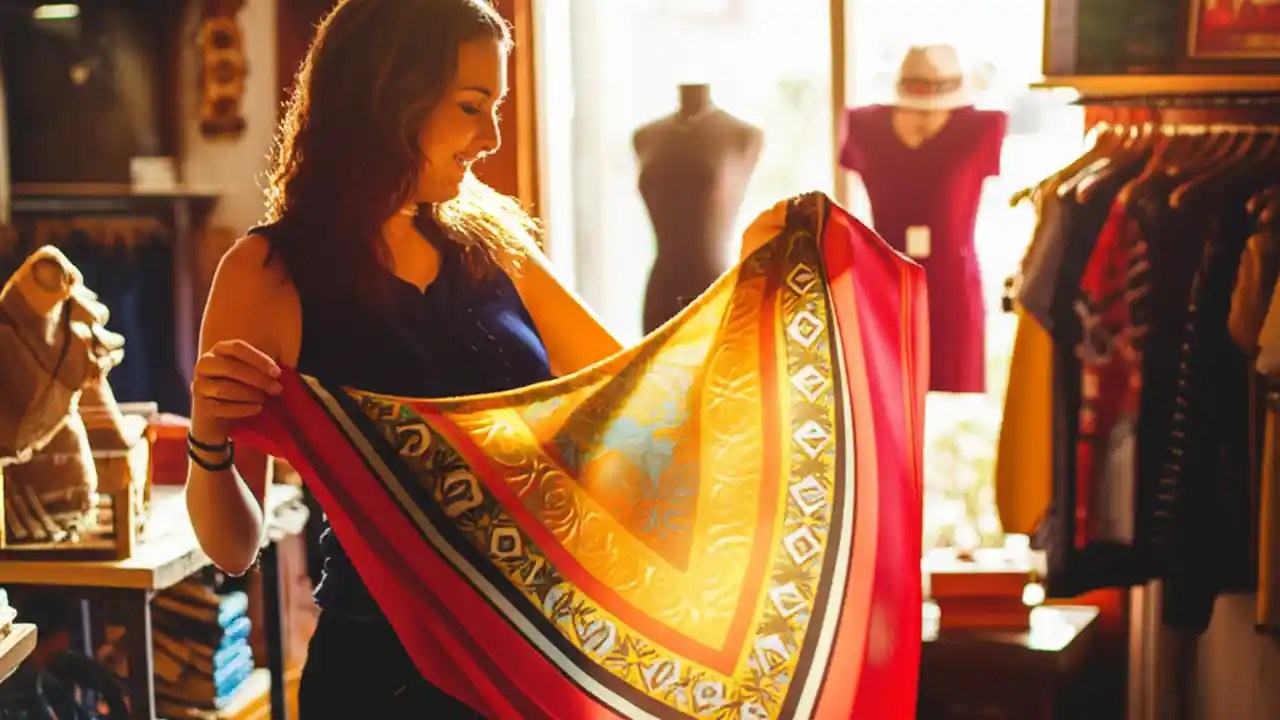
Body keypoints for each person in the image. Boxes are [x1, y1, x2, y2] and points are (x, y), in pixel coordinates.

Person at [181, 0, 620, 716]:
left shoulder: (495, 242)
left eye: (498, 106)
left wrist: (764, 293)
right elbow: (233, 549)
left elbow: (638, 394)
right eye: (473, 106)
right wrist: (208, 435)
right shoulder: (266, 273)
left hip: (537, 659)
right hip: (383, 679)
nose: (492, 136)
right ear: (389, 95)